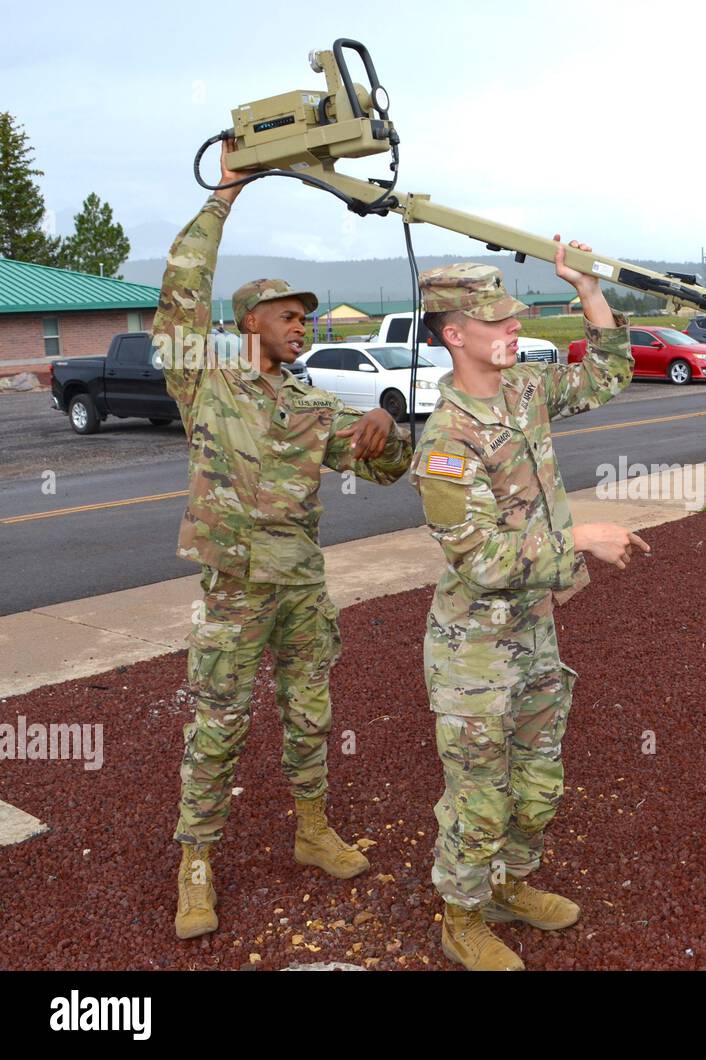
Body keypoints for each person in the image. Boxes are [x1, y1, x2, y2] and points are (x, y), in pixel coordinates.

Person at [157, 140, 413, 940]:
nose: (302, 326)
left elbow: (378, 470)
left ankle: (311, 829)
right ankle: (195, 861)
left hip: (301, 584)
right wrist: (225, 197)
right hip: (234, 586)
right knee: (218, 724)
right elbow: (181, 289)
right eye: (289, 316)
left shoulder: (310, 400)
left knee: (309, 711)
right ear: (249, 323)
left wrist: (388, 425)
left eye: (306, 316)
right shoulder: (205, 375)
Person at [411, 243, 649, 971]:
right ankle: (462, 915)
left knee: (538, 779)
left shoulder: (524, 390)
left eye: (514, 316)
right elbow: (480, 560)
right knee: (480, 795)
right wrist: (578, 537)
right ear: (455, 333)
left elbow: (610, 370)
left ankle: (511, 886)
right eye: (496, 321)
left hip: (534, 627)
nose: (513, 329)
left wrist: (587, 288)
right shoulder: (447, 442)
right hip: (475, 649)